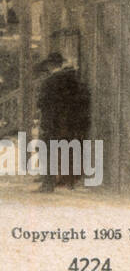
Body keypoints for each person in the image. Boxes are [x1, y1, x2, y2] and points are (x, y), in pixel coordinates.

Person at [34, 53, 91, 191]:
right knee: (68, 149)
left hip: (52, 121)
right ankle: (68, 181)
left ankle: (48, 183)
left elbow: (40, 103)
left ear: (50, 65)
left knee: (47, 150)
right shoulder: (73, 80)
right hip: (69, 122)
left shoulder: (49, 82)